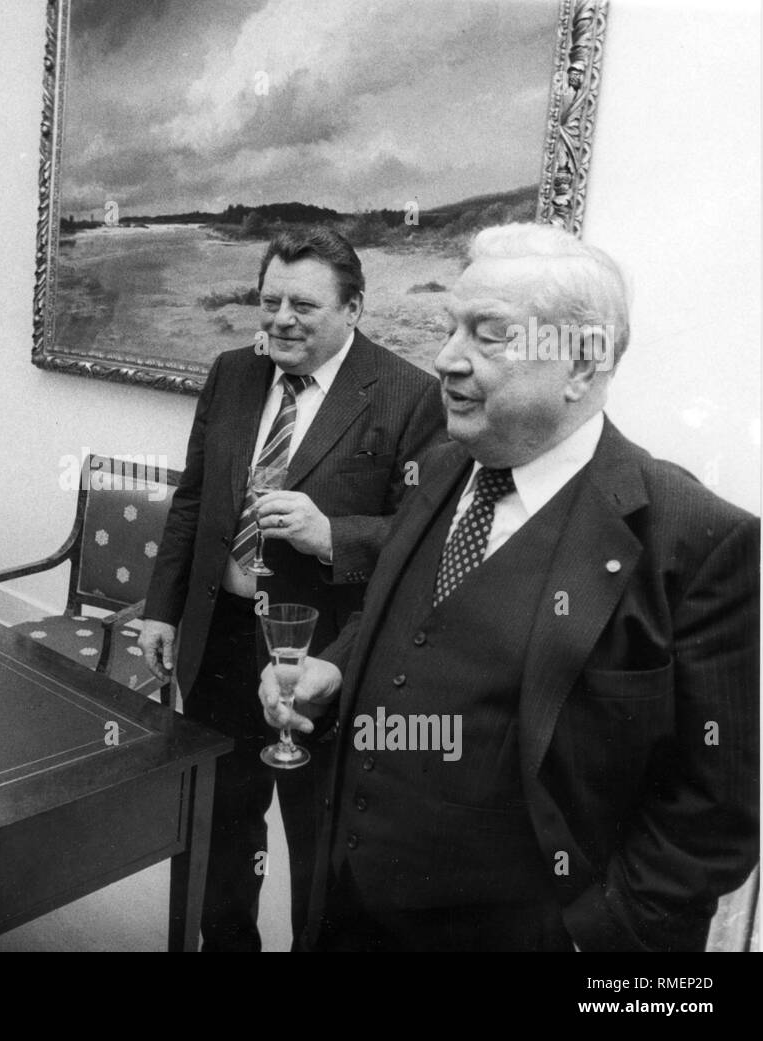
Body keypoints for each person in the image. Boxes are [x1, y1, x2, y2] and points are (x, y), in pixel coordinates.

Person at [260, 222, 760, 952]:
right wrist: (335, 670)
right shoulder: (440, 471)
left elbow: (714, 811)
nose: (445, 359)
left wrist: (595, 940)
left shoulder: (695, 541)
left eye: (489, 334)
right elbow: (405, 618)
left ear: (580, 363)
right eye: (450, 328)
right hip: (351, 911)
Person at [140, 225, 445, 951]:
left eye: (303, 306)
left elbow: (426, 537)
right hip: (220, 639)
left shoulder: (410, 396)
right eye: (270, 301)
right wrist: (162, 609)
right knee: (221, 824)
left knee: (320, 842)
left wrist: (333, 533)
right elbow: (193, 499)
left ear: (353, 308)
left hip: (323, 655)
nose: (280, 320)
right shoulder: (232, 372)